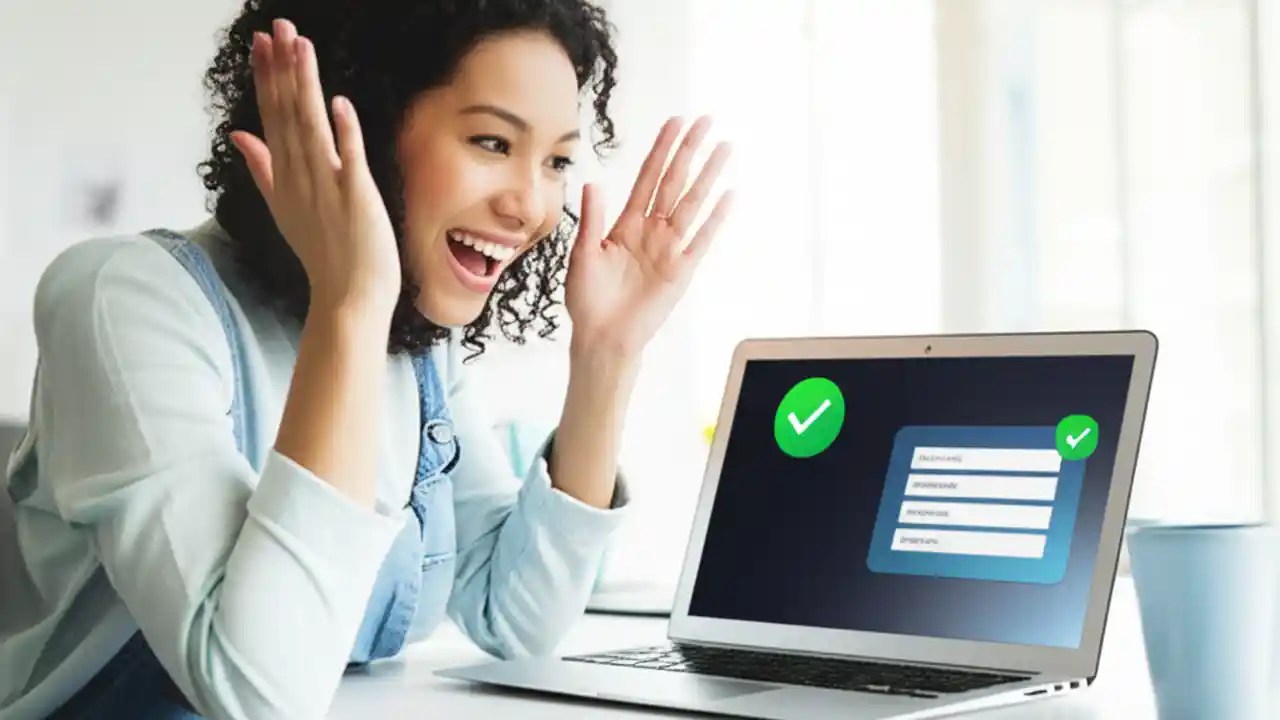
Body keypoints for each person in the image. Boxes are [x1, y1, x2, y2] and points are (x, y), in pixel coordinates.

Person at [0, 0, 733, 717]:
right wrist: (350, 300)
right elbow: (255, 694)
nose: (531, 206)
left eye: (558, 161)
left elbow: (515, 620)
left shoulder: (416, 347)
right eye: (492, 143)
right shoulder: (125, 297)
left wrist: (607, 354)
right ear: (363, 123)